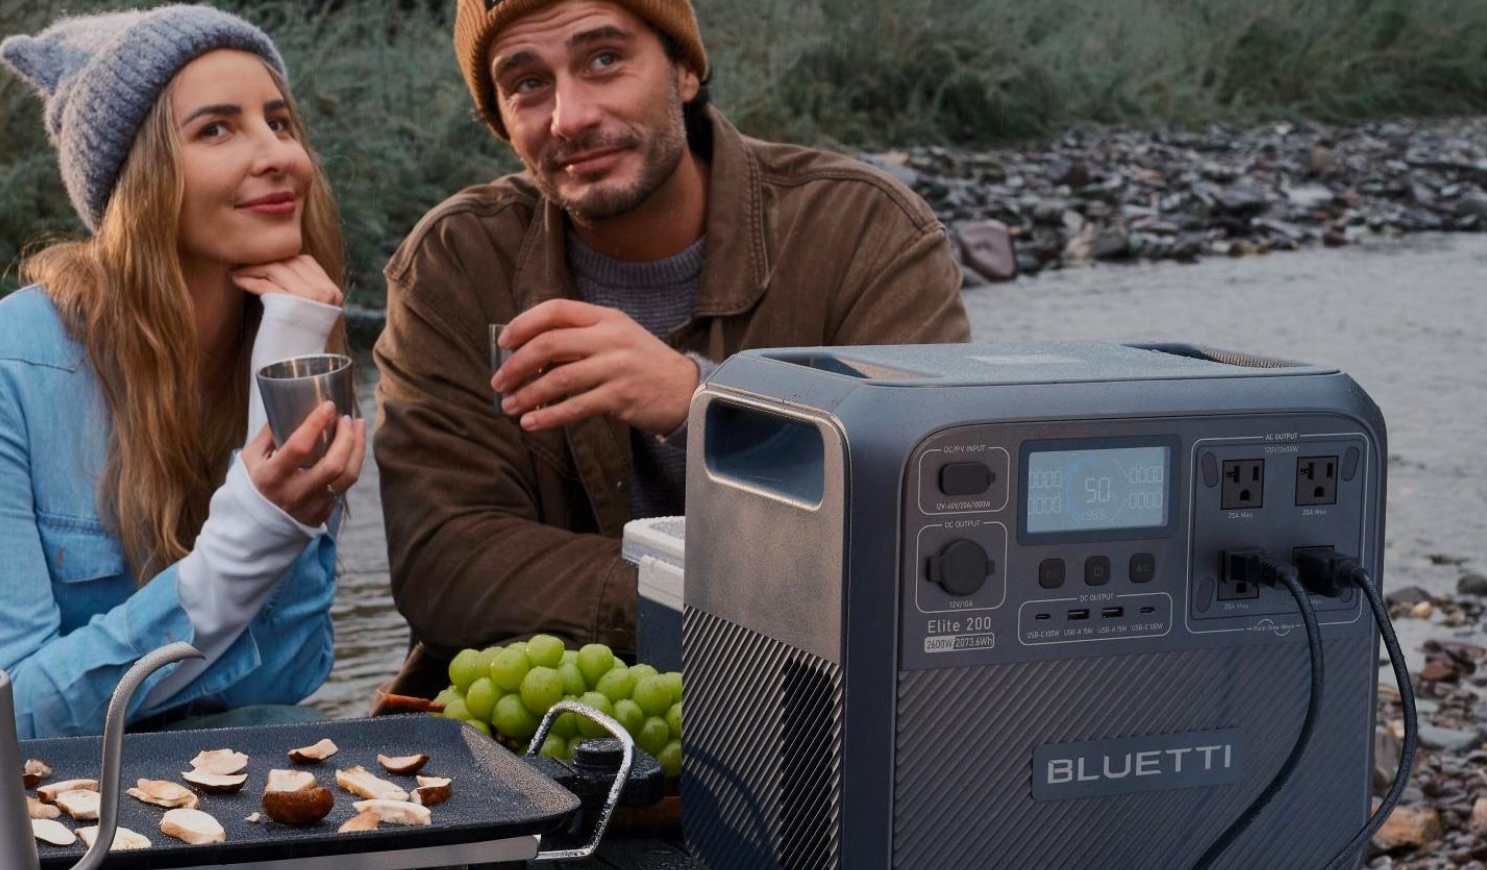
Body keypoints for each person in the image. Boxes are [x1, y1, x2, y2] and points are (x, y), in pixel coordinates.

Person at [374, 0, 970, 698]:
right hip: (539, 731)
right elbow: (445, 566)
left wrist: (706, 409)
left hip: (823, 713)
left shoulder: (864, 232)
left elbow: (937, 525)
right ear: (500, 119)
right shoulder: (454, 264)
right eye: (528, 83)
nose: (570, 117)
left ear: (685, 69)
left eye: (604, 60)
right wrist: (729, 600)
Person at [0, 5, 367, 738]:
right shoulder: (14, 367)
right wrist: (244, 545)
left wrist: (285, 371)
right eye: (216, 129)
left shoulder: (290, 332)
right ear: (138, 178)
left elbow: (287, 677)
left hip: (231, 778)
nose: (278, 154)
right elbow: (17, 716)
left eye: (280, 122)